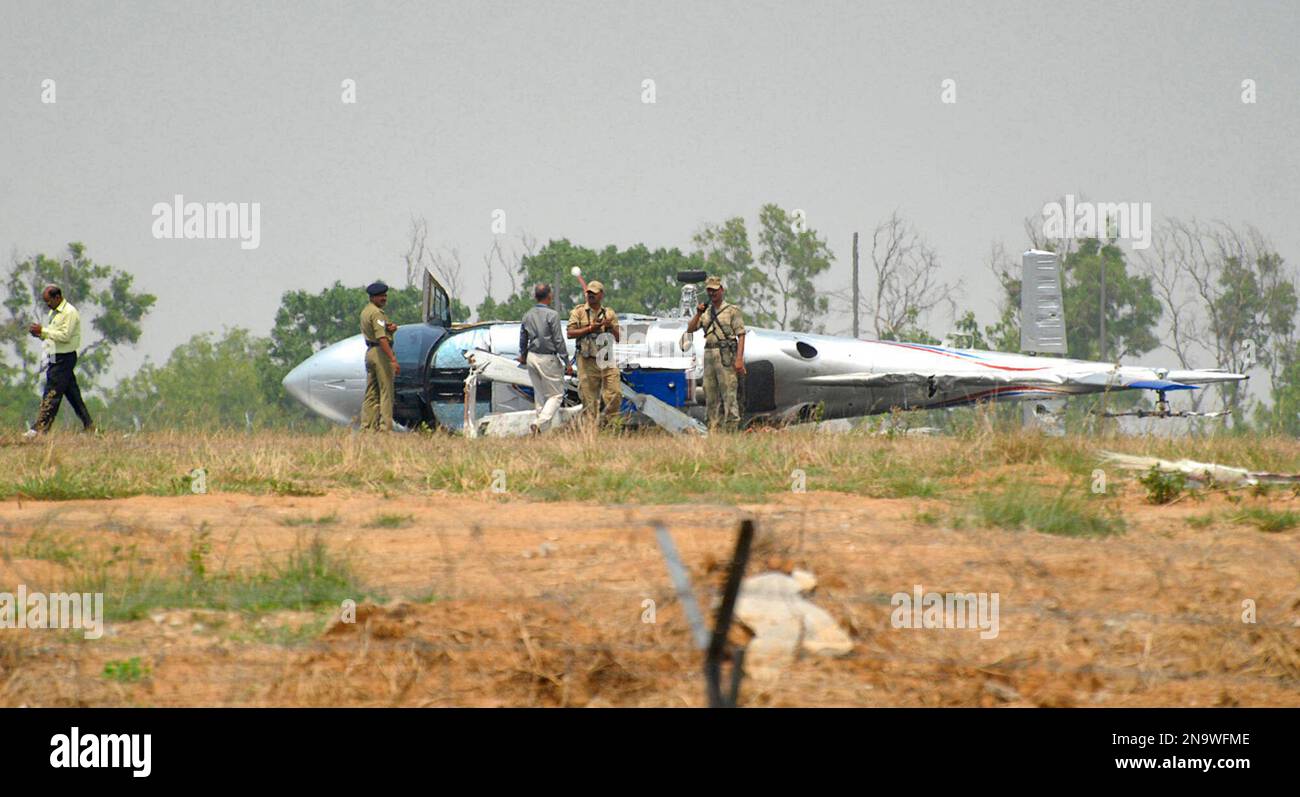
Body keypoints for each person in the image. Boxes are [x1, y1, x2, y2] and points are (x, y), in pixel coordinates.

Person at [26, 284, 94, 436]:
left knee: (52, 393)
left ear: (57, 297)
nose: (47, 305)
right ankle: (89, 426)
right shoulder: (54, 313)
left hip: (64, 358)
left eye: (48, 301)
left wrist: (43, 331)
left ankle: (40, 428)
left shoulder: (69, 312)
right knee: (73, 395)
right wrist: (41, 334)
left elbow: (65, 336)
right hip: (56, 356)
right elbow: (54, 334)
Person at [686, 275, 746, 431]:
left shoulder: (732, 311)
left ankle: (731, 428)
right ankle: (713, 428)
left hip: (726, 354)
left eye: (714, 290)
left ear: (721, 290)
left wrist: (739, 360)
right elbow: (691, 328)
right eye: (709, 291)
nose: (712, 293)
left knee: (729, 393)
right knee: (709, 392)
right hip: (709, 353)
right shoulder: (706, 312)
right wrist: (698, 313)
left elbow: (741, 334)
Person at [566, 280, 621, 427]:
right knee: (589, 400)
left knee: (615, 393)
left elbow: (619, 337)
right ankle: (591, 430)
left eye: (594, 294)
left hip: (606, 360)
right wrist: (590, 328)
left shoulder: (609, 313)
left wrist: (609, 327)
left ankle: (607, 423)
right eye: (588, 293)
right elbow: (570, 333)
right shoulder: (578, 312)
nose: (590, 296)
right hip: (587, 361)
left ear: (601, 295)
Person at [518, 282, 568, 433]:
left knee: (539, 396)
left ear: (535, 296)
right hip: (547, 357)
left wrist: (523, 355)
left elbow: (523, 338)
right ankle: (540, 422)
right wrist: (566, 361)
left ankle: (541, 433)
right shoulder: (552, 315)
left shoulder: (527, 315)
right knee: (556, 395)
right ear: (549, 296)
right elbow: (558, 340)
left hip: (531, 357)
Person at [360, 281, 399, 431]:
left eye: (385, 295)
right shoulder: (377, 313)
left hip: (370, 352)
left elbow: (379, 330)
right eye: (381, 296)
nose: (384, 298)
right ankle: (385, 428)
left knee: (371, 393)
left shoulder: (366, 311)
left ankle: (367, 427)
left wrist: (391, 329)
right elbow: (381, 338)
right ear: (373, 297)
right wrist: (393, 359)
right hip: (380, 353)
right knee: (386, 392)